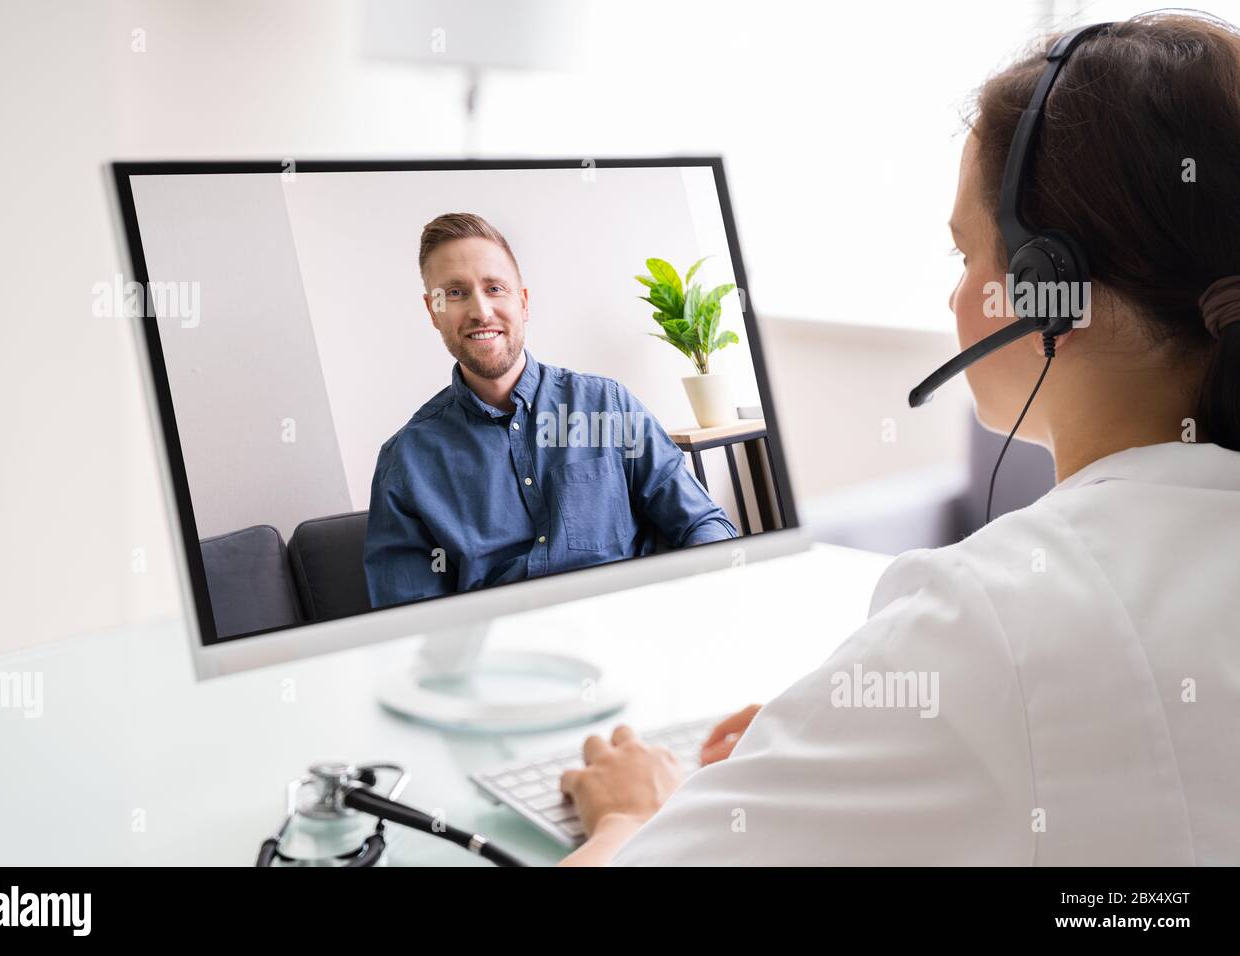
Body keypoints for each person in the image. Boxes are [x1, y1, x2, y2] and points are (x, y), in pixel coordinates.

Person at [559, 13, 1240, 866]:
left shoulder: (998, 621)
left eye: (963, 256)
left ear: (1046, 291)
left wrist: (636, 816)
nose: (954, 296)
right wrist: (851, 740)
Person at [363, 213, 736, 609]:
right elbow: (408, 620)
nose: (481, 311)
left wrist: (696, 601)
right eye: (454, 293)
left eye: (494, 288)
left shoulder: (606, 407)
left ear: (522, 301)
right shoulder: (406, 461)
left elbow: (703, 523)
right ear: (432, 312)